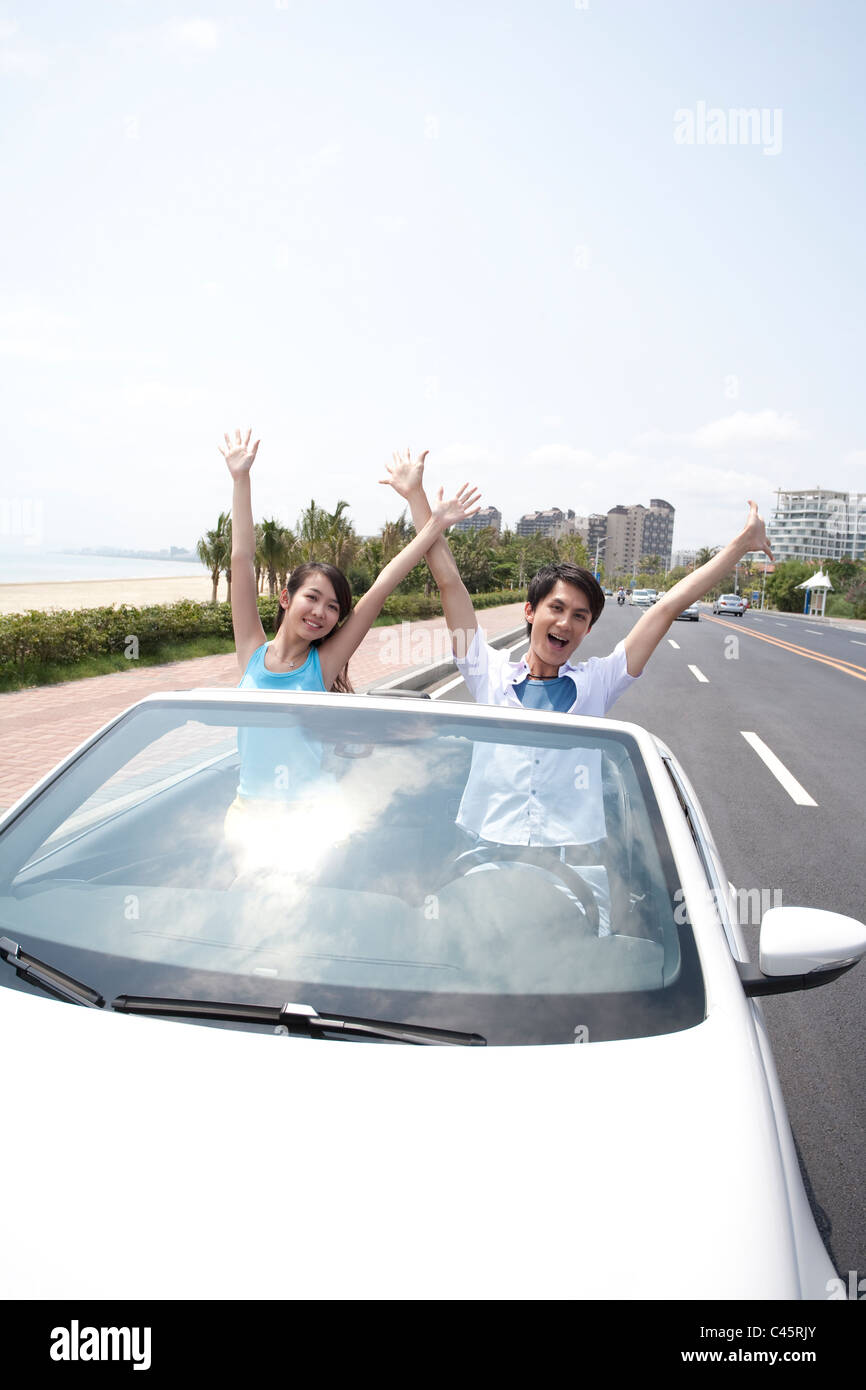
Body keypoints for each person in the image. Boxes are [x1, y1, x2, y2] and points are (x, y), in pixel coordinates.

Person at [380, 449, 774, 910]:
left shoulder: (598, 683)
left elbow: (666, 607)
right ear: (531, 612)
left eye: (580, 616)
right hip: (483, 859)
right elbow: (449, 580)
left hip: (577, 872)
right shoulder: (486, 671)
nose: (565, 624)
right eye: (557, 609)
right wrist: (417, 497)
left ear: (589, 628)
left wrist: (740, 544)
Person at [220, 428, 480, 875]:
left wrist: (434, 523)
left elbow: (381, 586)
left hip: (311, 817)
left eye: (333, 606)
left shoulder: (322, 667)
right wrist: (241, 479)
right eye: (312, 597)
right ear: (286, 598)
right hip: (248, 815)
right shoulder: (250, 651)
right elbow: (242, 558)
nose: (321, 611)